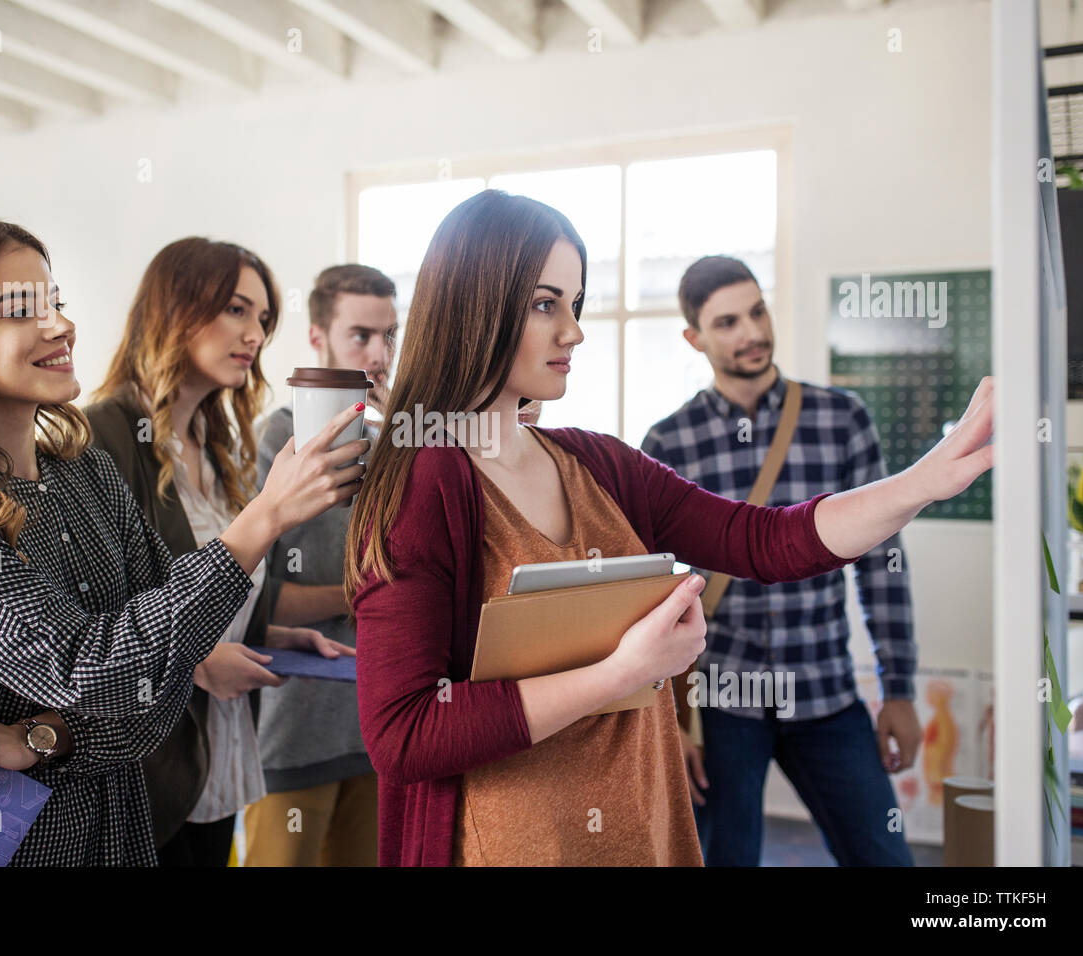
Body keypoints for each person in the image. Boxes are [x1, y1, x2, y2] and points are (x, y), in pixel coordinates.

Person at [342, 189, 994, 867]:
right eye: (546, 304)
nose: (574, 330)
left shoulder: (598, 462)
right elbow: (404, 733)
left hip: (642, 835)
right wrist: (622, 672)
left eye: (576, 303)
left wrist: (925, 481)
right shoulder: (426, 483)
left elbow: (764, 541)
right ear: (474, 307)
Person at [0, 220, 368, 865]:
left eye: (56, 303)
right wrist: (263, 518)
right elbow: (91, 669)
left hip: (119, 838)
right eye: (21, 310)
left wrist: (40, 737)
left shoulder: (87, 473)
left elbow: (169, 674)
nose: (60, 326)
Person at [641, 255, 919, 866]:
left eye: (758, 312)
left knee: (884, 855)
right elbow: (653, 592)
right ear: (695, 338)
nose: (751, 332)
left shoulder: (841, 419)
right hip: (720, 701)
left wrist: (898, 689)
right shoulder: (666, 443)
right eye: (728, 321)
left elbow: (881, 565)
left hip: (824, 690)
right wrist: (669, 722)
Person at [85, 237, 355, 867]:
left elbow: (221, 586)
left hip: (220, 748)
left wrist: (277, 634)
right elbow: (97, 612)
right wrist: (200, 663)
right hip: (147, 761)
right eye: (236, 309)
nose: (255, 333)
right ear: (174, 308)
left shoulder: (216, 442)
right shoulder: (104, 433)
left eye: (263, 318)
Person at [244, 264, 398, 867]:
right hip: (294, 732)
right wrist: (366, 594)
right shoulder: (276, 442)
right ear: (317, 338)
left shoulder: (399, 444)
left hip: (381, 728)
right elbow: (253, 599)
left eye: (390, 335)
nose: (379, 353)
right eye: (361, 335)